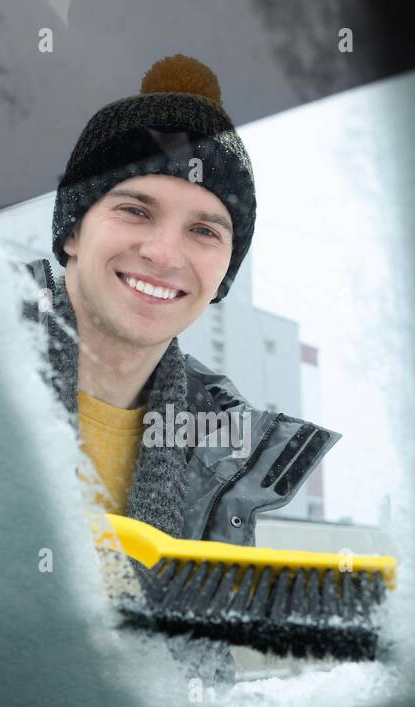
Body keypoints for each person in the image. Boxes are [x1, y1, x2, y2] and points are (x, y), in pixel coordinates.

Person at [18, 54, 339, 554]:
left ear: (222, 277)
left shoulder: (224, 449)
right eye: (134, 209)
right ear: (74, 231)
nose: (164, 254)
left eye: (204, 230)